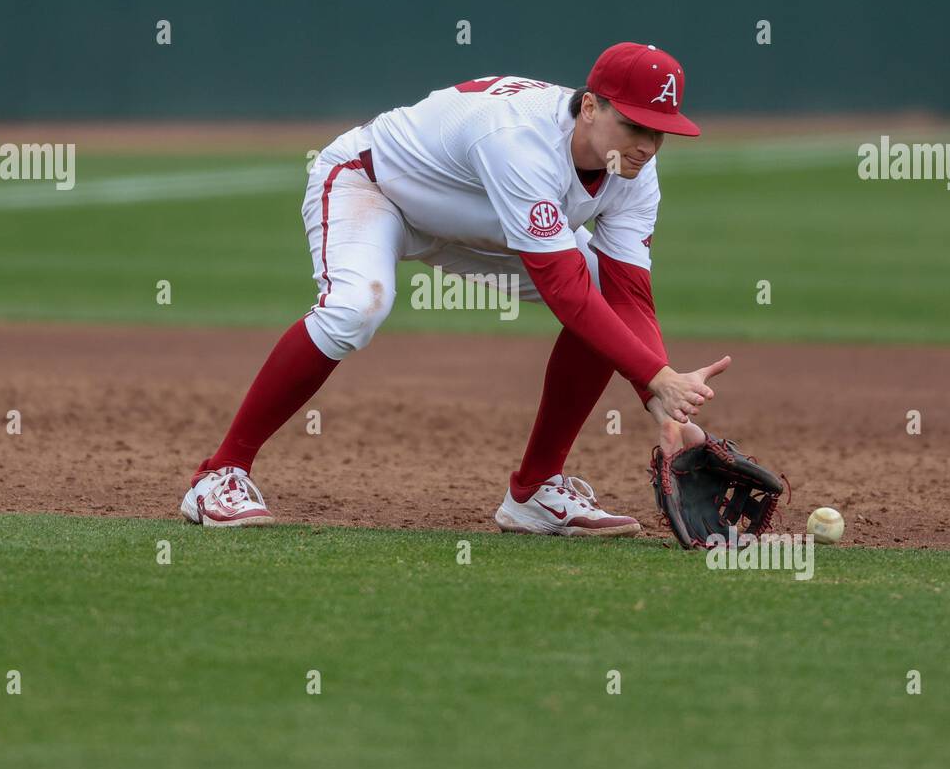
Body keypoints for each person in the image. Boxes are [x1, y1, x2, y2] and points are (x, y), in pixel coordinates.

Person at [181, 42, 732, 536]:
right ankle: (220, 473)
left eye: (660, 131)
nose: (647, 145)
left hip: (477, 220)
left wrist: (665, 408)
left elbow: (628, 293)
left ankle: (534, 492)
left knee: (601, 293)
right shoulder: (521, 140)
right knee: (356, 309)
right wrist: (655, 376)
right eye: (634, 126)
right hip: (375, 187)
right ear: (590, 107)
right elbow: (563, 289)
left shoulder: (634, 175)